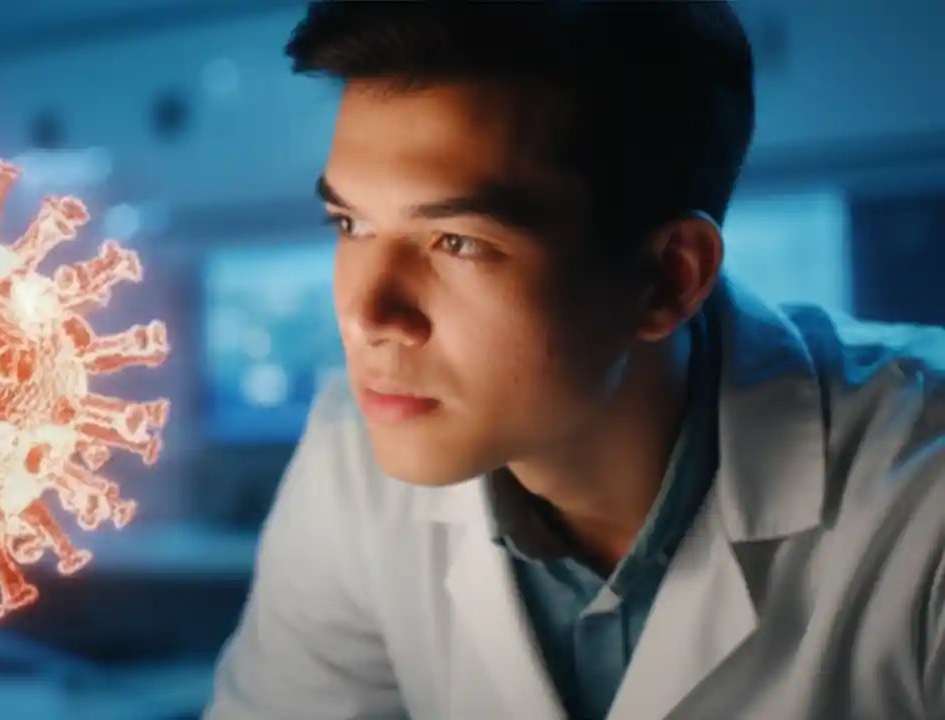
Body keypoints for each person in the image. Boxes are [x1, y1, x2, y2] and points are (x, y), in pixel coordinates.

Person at [204, 2, 945, 718]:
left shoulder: (924, 491)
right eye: (350, 223)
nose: (368, 317)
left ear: (667, 280)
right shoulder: (353, 447)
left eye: (457, 242)